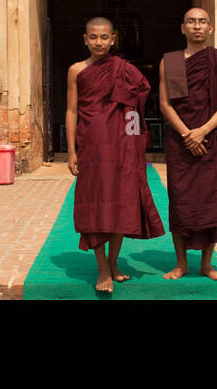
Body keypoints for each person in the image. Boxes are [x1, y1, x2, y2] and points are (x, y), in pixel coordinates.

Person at [67, 15, 165, 292]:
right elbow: (72, 110)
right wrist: (71, 151)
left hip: (121, 144)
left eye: (104, 37)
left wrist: (134, 142)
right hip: (92, 146)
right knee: (95, 201)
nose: (99, 42)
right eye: (93, 37)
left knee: (121, 201)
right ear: (85, 39)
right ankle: (101, 269)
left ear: (113, 39)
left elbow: (139, 96)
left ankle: (113, 263)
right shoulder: (76, 70)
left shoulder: (124, 68)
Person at [158, 7, 217, 281]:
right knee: (180, 200)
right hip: (180, 142)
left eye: (202, 22)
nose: (197, 26)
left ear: (210, 29)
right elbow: (165, 104)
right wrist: (187, 134)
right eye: (191, 22)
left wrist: (203, 131)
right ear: (182, 28)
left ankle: (206, 264)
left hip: (212, 140)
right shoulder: (169, 62)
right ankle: (181, 263)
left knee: (211, 201)